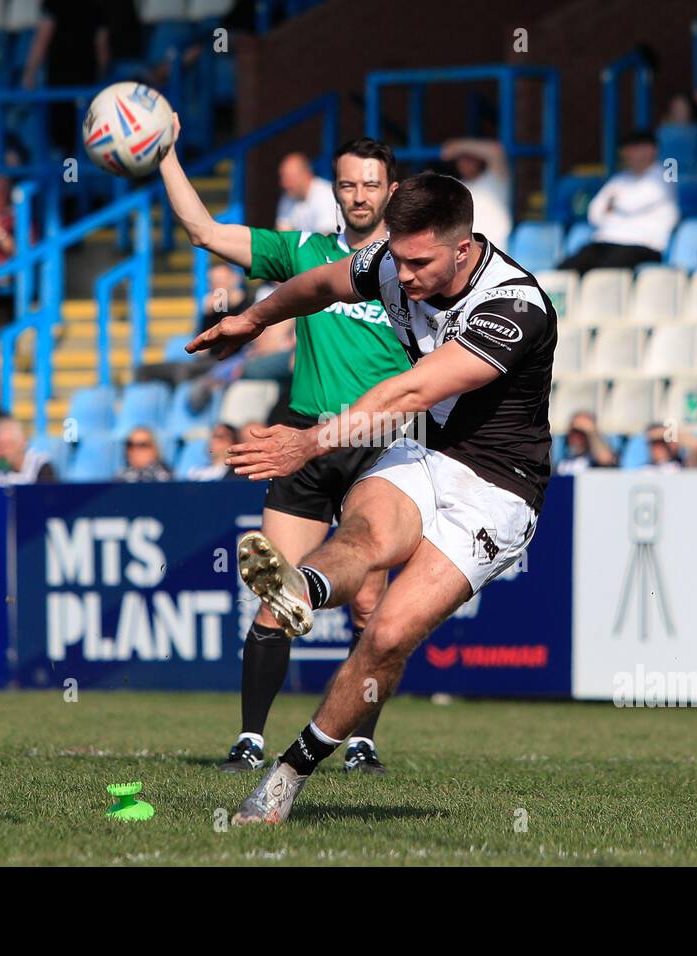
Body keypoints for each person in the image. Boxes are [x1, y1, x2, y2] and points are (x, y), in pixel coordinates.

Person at [188, 172, 556, 824]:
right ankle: (298, 591)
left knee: (386, 635)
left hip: (497, 489)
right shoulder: (390, 262)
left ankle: (289, 774)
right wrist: (250, 318)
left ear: (464, 249)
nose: (405, 275)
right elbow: (318, 284)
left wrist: (309, 443)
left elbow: (411, 391)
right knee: (363, 539)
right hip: (423, 452)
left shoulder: (515, 307)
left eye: (420, 262)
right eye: (398, 258)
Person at [159, 120, 409, 774]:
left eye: (371, 185)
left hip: (378, 443)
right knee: (275, 595)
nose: (358, 195)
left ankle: (361, 740)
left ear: (393, 190)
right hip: (301, 438)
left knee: (370, 606)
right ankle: (249, 742)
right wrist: (164, 156)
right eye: (348, 184)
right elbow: (206, 233)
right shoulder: (304, 250)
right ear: (335, 190)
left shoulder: (410, 268)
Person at [558, 130, 678, 274]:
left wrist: (613, 204)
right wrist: (614, 205)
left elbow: (631, 203)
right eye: (626, 148)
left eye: (634, 147)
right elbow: (594, 214)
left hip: (643, 246)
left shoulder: (665, 176)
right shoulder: (620, 179)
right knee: (565, 270)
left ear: (651, 150)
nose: (627, 152)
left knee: (602, 276)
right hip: (605, 242)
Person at [22, 0, 103, 152]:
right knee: (80, 137)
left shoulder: (55, 4)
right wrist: (99, 76)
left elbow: (43, 38)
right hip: (85, 80)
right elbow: (102, 48)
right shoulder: (94, 4)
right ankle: (73, 174)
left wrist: (29, 73)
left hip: (61, 82)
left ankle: (70, 174)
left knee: (66, 141)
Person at [441, 138, 511, 251]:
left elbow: (495, 151)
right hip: (464, 251)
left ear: (479, 160)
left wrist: (458, 146)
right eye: (462, 159)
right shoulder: (456, 186)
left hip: (494, 249)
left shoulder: (494, 179)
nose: (466, 163)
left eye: (470, 159)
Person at [274, 152, 342, 234]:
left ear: (306, 175)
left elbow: (325, 240)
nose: (284, 183)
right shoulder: (288, 198)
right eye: (282, 177)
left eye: (289, 178)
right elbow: (281, 237)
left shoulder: (327, 196)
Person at [0, 418, 57, 484]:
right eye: (1, 446)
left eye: (9, 445)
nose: (5, 451)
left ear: (23, 443)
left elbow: (48, 494)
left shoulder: (41, 466)